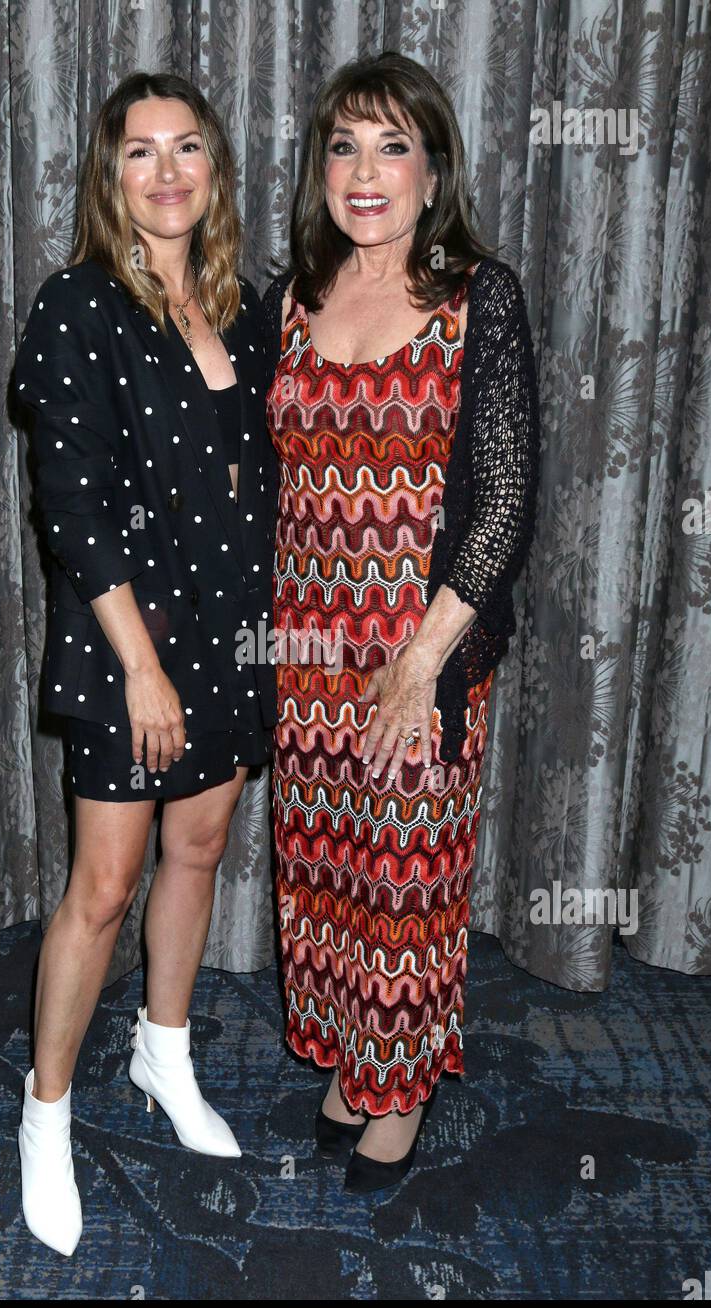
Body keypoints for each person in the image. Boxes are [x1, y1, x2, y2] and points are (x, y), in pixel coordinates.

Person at [262, 51, 539, 1193]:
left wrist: (423, 661)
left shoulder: (480, 295)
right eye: (342, 144)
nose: (363, 170)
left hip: (420, 645)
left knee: (409, 879)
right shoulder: (293, 295)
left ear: (432, 171)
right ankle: (350, 1058)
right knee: (322, 870)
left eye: (390, 146)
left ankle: (402, 1089)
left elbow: (509, 492)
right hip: (306, 648)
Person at [12, 70, 278, 1254]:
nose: (166, 172)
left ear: (213, 171)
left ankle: (162, 1053)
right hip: (133, 641)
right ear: (108, 176)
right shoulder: (77, 306)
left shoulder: (243, 303)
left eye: (186, 150)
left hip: (233, 627)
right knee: (104, 885)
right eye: (138, 152)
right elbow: (70, 506)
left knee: (201, 844)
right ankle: (46, 1112)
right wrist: (140, 666)